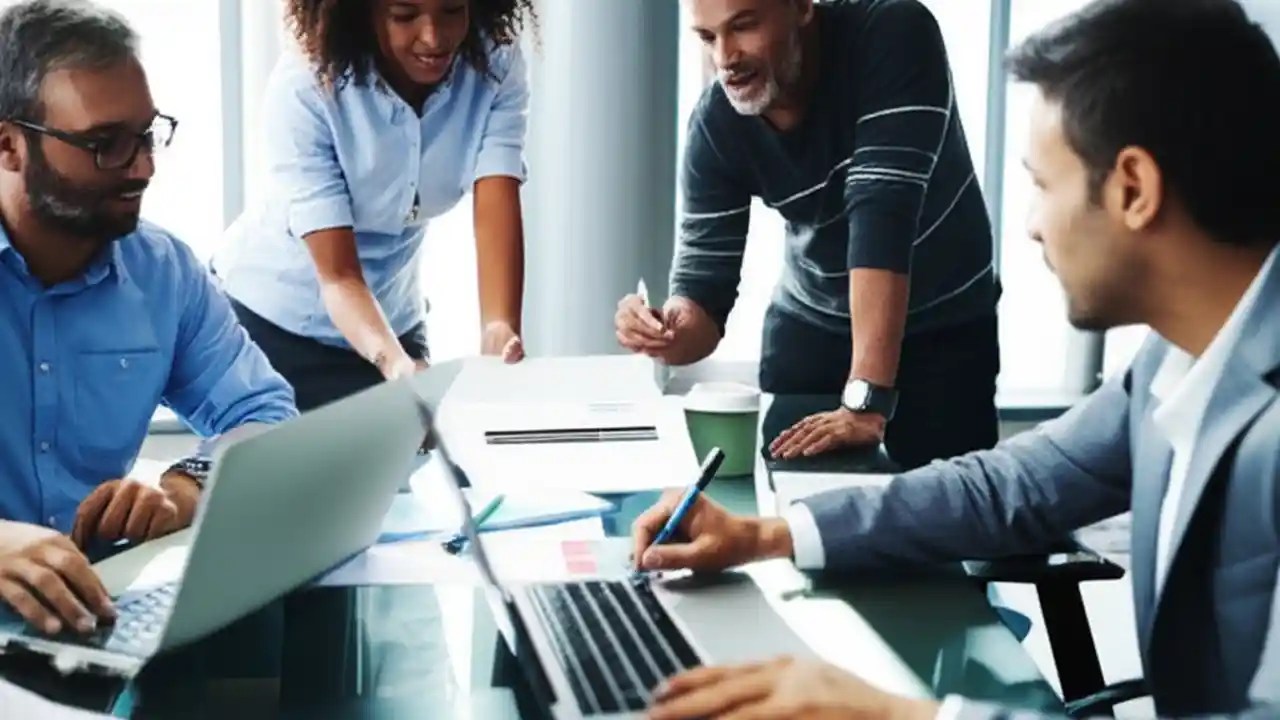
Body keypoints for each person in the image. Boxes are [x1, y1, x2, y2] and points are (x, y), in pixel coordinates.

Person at [633, 0, 1280, 717]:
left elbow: (883, 218)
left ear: (1133, 190)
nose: (1030, 226)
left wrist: (902, 714)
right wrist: (763, 536)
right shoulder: (1171, 365)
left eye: (1042, 184)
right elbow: (1007, 487)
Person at [0, 0, 296, 637]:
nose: (143, 167)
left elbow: (267, 417)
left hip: (96, 622)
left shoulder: (164, 274)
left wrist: (184, 487)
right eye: (103, 144)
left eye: (146, 134)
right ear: (9, 146)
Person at [614, 0, 1000, 471]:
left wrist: (865, 400)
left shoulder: (895, 34)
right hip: (812, 328)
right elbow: (702, 292)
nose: (725, 57)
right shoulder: (716, 126)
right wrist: (665, 331)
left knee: (960, 522)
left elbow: (881, 216)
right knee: (801, 516)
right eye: (708, 37)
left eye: (745, 26)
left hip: (945, 325)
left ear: (800, 7)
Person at [213, 0, 535, 413]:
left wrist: (499, 327)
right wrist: (394, 362)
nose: (434, 37)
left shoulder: (495, 63)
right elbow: (338, 276)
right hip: (268, 327)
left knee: (422, 466)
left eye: (453, 10)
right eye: (404, 16)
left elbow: (496, 200)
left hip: (392, 318)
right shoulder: (307, 85)